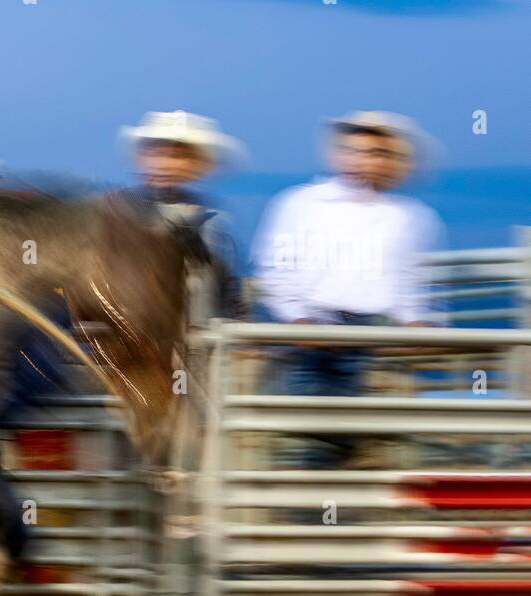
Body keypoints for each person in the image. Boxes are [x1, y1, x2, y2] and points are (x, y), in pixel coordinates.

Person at [252, 111, 445, 468]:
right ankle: (314, 506)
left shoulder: (410, 218)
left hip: (372, 337)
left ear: (394, 161)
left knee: (347, 439)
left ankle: (328, 503)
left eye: (377, 152)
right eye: (355, 150)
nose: (365, 160)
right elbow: (275, 272)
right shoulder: (301, 204)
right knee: (313, 437)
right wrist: (298, 321)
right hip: (311, 338)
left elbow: (409, 288)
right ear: (338, 154)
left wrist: (418, 323)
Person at [117, 110, 245, 326]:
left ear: (198, 165)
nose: (165, 163)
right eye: (156, 153)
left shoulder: (213, 222)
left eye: (177, 156)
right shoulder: (120, 215)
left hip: (201, 344)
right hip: (134, 345)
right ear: (142, 159)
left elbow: (230, 292)